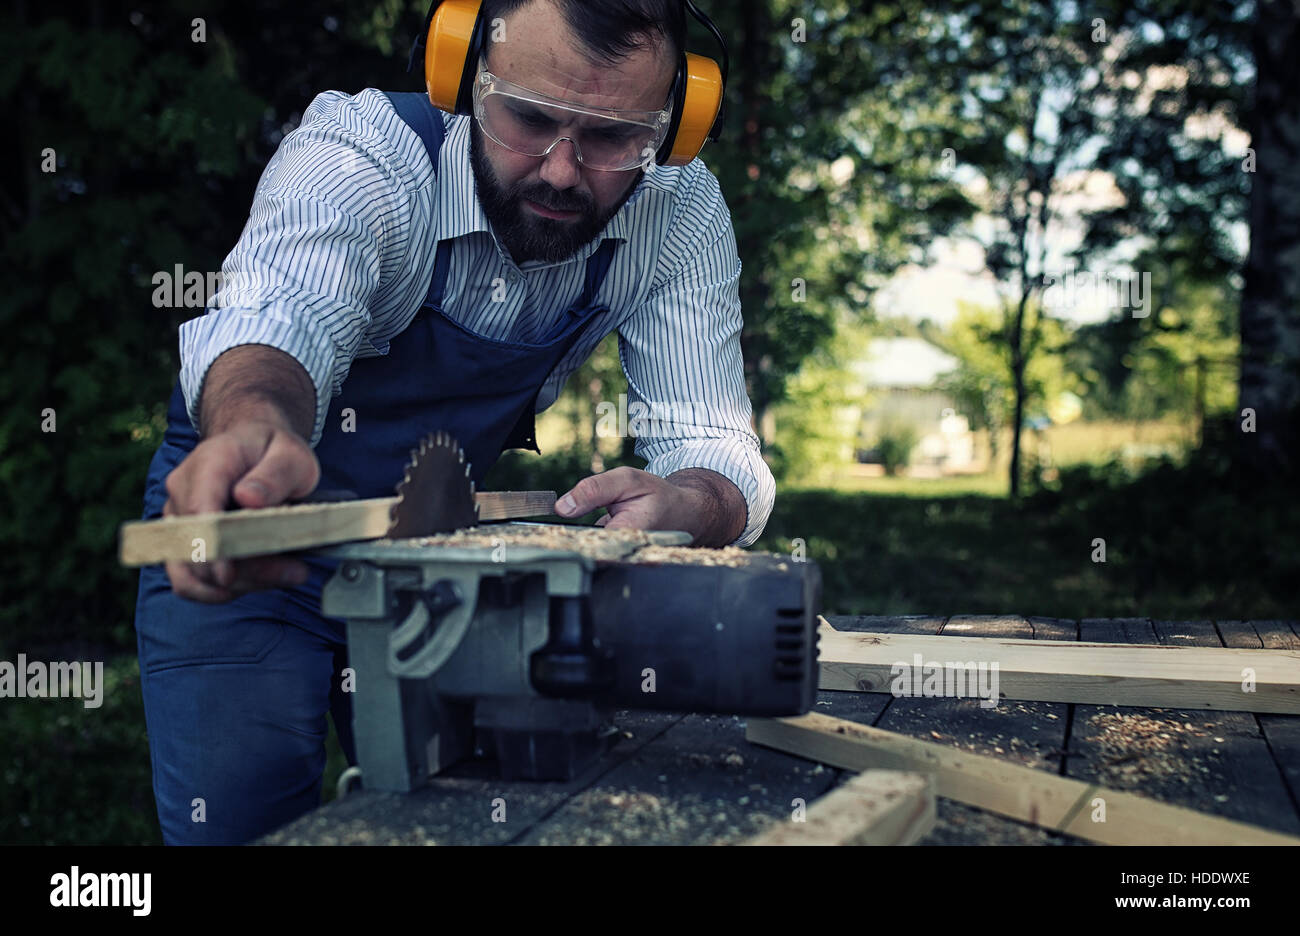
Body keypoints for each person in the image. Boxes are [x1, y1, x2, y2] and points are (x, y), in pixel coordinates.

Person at [133, 0, 774, 845]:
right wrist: (252, 428)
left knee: (457, 821)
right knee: (241, 823)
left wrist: (692, 503)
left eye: (615, 139)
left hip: (439, 565)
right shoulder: (363, 153)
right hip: (254, 541)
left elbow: (712, 439)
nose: (560, 172)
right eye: (530, 118)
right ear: (463, 71)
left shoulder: (679, 212)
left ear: (680, 120)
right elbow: (279, 313)